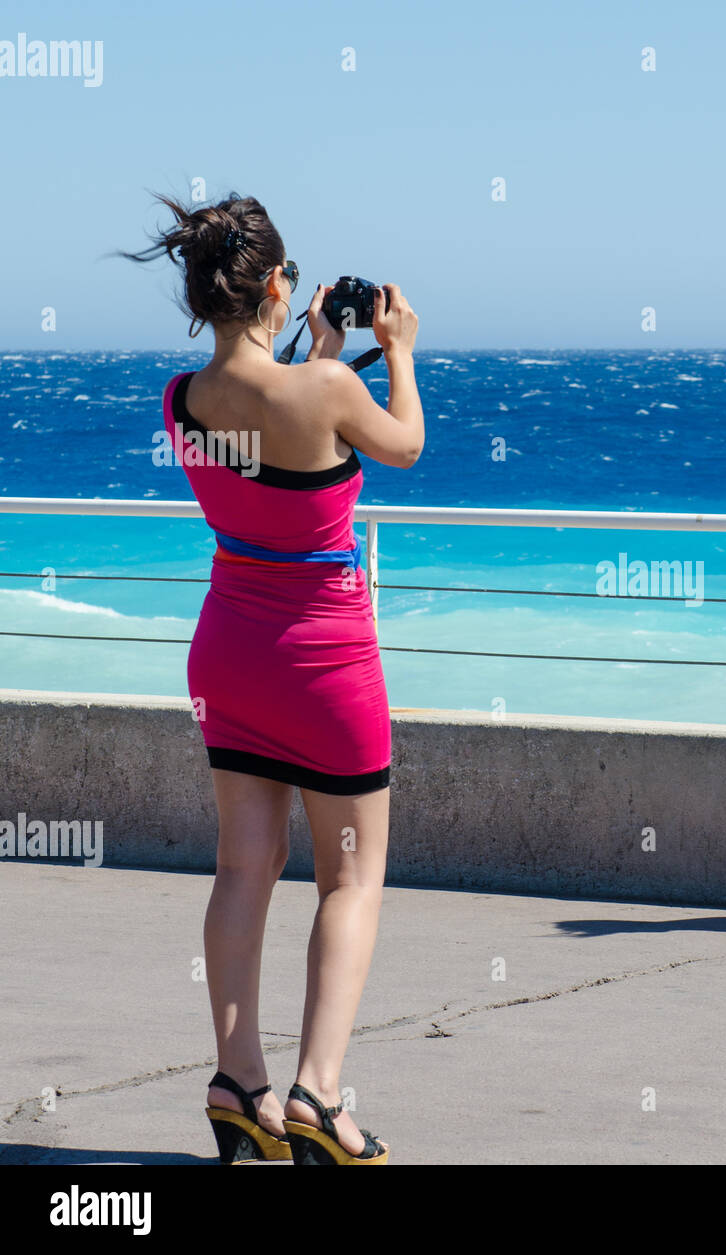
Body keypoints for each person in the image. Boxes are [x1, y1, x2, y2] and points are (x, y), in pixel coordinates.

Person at [119, 192, 423, 1160]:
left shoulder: (182, 401)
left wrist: (317, 352)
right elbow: (402, 443)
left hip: (229, 655)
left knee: (242, 865)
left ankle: (237, 1079)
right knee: (351, 874)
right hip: (323, 662)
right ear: (277, 285)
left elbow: (269, 446)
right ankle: (319, 1097)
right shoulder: (324, 394)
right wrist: (399, 348)